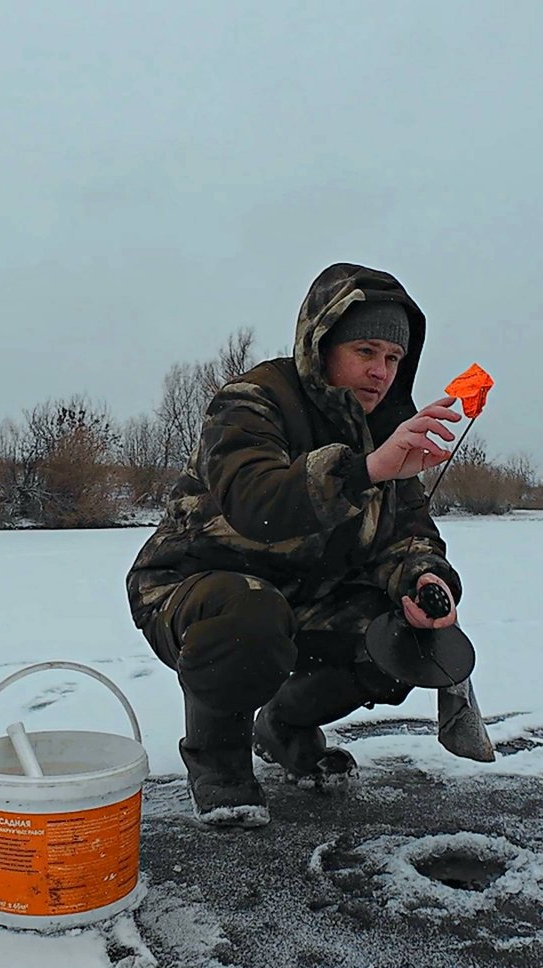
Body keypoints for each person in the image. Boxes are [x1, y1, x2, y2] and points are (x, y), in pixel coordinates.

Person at [125, 262, 493, 828]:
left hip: (308, 595)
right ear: (323, 345)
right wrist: (366, 469)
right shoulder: (251, 401)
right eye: (366, 351)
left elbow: (409, 533)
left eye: (393, 359)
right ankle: (218, 761)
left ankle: (284, 725)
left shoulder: (388, 429)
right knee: (250, 614)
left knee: (400, 642)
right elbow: (257, 503)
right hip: (194, 590)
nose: (380, 372)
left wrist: (424, 579)